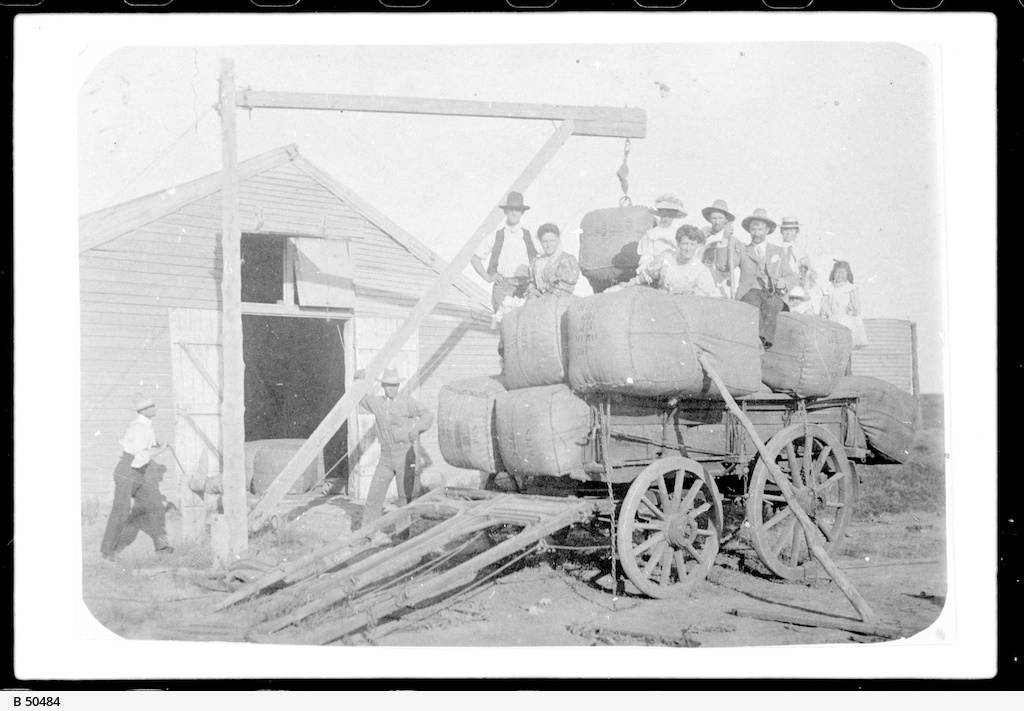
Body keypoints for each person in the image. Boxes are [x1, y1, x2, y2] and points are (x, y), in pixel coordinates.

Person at [357, 367, 434, 529]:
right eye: (388, 385)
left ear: (398, 386)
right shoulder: (377, 403)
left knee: (404, 497)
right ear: (383, 386)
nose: (392, 389)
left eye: (395, 386)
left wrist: (417, 429)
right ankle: (367, 533)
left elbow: (428, 414)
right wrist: (359, 381)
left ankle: (403, 536)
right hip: (385, 457)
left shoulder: (407, 402)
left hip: (404, 455)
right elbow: (359, 397)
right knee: (374, 495)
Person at [100, 395, 173, 560]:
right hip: (129, 472)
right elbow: (141, 455)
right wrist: (161, 449)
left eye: (154, 405)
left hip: (138, 473)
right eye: (151, 407)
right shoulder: (139, 428)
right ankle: (107, 551)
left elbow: (143, 447)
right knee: (121, 511)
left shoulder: (146, 425)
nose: (155, 409)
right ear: (143, 411)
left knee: (155, 506)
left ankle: (161, 546)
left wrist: (156, 445)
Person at [715, 208, 798, 348]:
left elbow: (790, 276)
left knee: (774, 304)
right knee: (752, 302)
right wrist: (724, 240)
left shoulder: (777, 251)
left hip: (772, 293)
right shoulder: (742, 249)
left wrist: (784, 284)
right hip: (750, 292)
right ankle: (754, 341)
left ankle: (763, 343)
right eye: (753, 229)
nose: (756, 233)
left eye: (760, 229)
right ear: (749, 230)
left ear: (767, 231)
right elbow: (723, 266)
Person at [471, 192, 539, 313]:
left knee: (524, 326)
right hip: (502, 289)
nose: (514, 213)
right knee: (503, 325)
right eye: (511, 209)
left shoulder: (530, 235)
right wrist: (488, 277)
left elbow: (545, 256)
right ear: (505, 211)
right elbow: (475, 259)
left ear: (522, 212)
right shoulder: (496, 235)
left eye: (517, 210)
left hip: (525, 287)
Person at [635, 194, 686, 284]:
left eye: (670, 215)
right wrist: (647, 270)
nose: (666, 219)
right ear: (659, 214)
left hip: (674, 267)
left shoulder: (679, 232)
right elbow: (647, 255)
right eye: (664, 215)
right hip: (655, 267)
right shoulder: (651, 233)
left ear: (674, 216)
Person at [659, 225, 720, 298]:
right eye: (685, 244)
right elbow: (647, 276)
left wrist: (688, 291)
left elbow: (708, 295)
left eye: (692, 244)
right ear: (678, 243)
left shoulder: (701, 270)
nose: (688, 249)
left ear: (697, 246)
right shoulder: (667, 257)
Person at [820, 260, 869, 348]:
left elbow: (855, 307)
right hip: (832, 318)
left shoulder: (850, 289)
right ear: (833, 274)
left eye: (842, 273)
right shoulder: (829, 289)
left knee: (845, 341)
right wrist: (828, 315)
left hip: (847, 318)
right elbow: (824, 307)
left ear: (848, 274)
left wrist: (849, 311)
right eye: (837, 273)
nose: (839, 275)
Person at [526, 223, 580, 298]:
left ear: (558, 240)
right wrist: (532, 295)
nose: (548, 245)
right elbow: (532, 284)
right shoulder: (536, 262)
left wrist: (545, 298)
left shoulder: (566, 259)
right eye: (545, 241)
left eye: (552, 240)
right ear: (540, 242)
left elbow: (565, 287)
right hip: (540, 302)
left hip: (559, 300)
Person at [700, 199, 738, 298]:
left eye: (720, 218)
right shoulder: (704, 235)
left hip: (722, 281)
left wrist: (725, 239)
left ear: (726, 220)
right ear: (709, 219)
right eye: (714, 218)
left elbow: (731, 264)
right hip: (705, 277)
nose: (717, 222)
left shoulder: (732, 239)